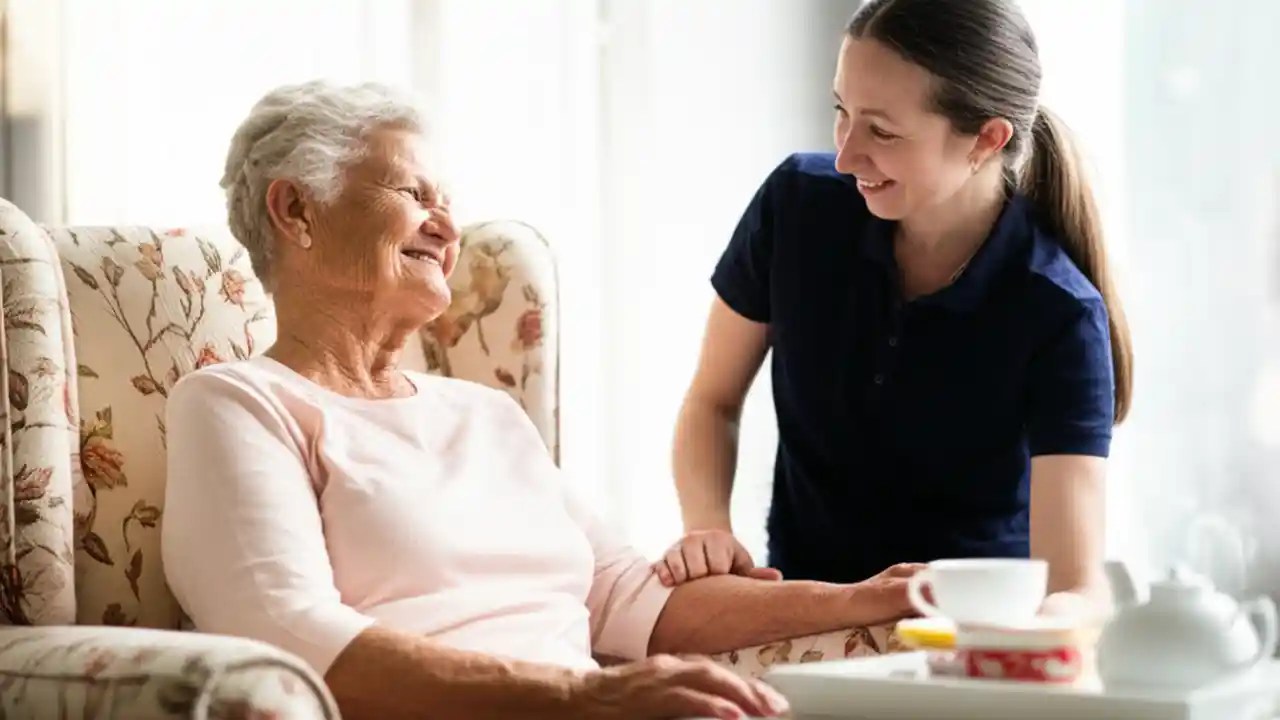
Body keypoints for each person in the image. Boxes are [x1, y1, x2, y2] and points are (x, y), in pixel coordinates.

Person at [160, 80, 920, 720]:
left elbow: (634, 601)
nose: (448, 227)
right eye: (412, 193)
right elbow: (289, 637)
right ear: (296, 211)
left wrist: (859, 600)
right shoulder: (238, 404)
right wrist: (583, 697)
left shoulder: (485, 414)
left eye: (448, 202)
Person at [660, 0, 1133, 620]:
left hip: (959, 638)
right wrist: (709, 532)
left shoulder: (1058, 310)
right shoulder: (796, 206)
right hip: (801, 615)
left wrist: (1042, 629)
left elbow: (1077, 586)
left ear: (986, 140)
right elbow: (711, 400)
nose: (847, 155)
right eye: (842, 113)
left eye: (881, 131)